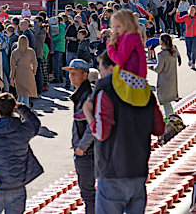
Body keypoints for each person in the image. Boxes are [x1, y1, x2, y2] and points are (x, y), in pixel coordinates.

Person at [84, 51, 164, 213]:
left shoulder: (105, 90)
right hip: (138, 171)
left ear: (112, 68)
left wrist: (88, 114)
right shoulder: (144, 91)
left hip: (112, 172)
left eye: (101, 70)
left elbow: (101, 132)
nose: (101, 75)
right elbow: (159, 129)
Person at [62, 59, 95, 214]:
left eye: (75, 73)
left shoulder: (86, 96)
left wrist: (81, 147)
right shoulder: (82, 94)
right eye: (70, 73)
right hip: (89, 150)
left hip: (88, 153)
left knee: (89, 194)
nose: (71, 76)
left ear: (85, 75)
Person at [107, 9, 151, 107]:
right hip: (134, 77)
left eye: (118, 26)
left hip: (132, 78)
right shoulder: (129, 36)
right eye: (113, 27)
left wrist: (111, 46)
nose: (115, 30)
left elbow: (120, 59)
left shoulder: (128, 37)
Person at [153, 33, 180, 117]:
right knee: (168, 102)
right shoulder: (174, 50)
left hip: (164, 81)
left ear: (162, 42)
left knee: (166, 103)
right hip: (172, 79)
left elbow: (158, 69)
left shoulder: (162, 55)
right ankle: (171, 118)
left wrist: (152, 68)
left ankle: (170, 120)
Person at [10, 35, 37, 106]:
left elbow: (13, 67)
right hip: (28, 72)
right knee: (26, 94)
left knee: (20, 94)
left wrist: (12, 77)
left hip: (18, 73)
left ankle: (20, 111)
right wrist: (33, 72)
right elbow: (35, 64)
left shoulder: (14, 52)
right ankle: (26, 110)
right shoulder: (31, 51)